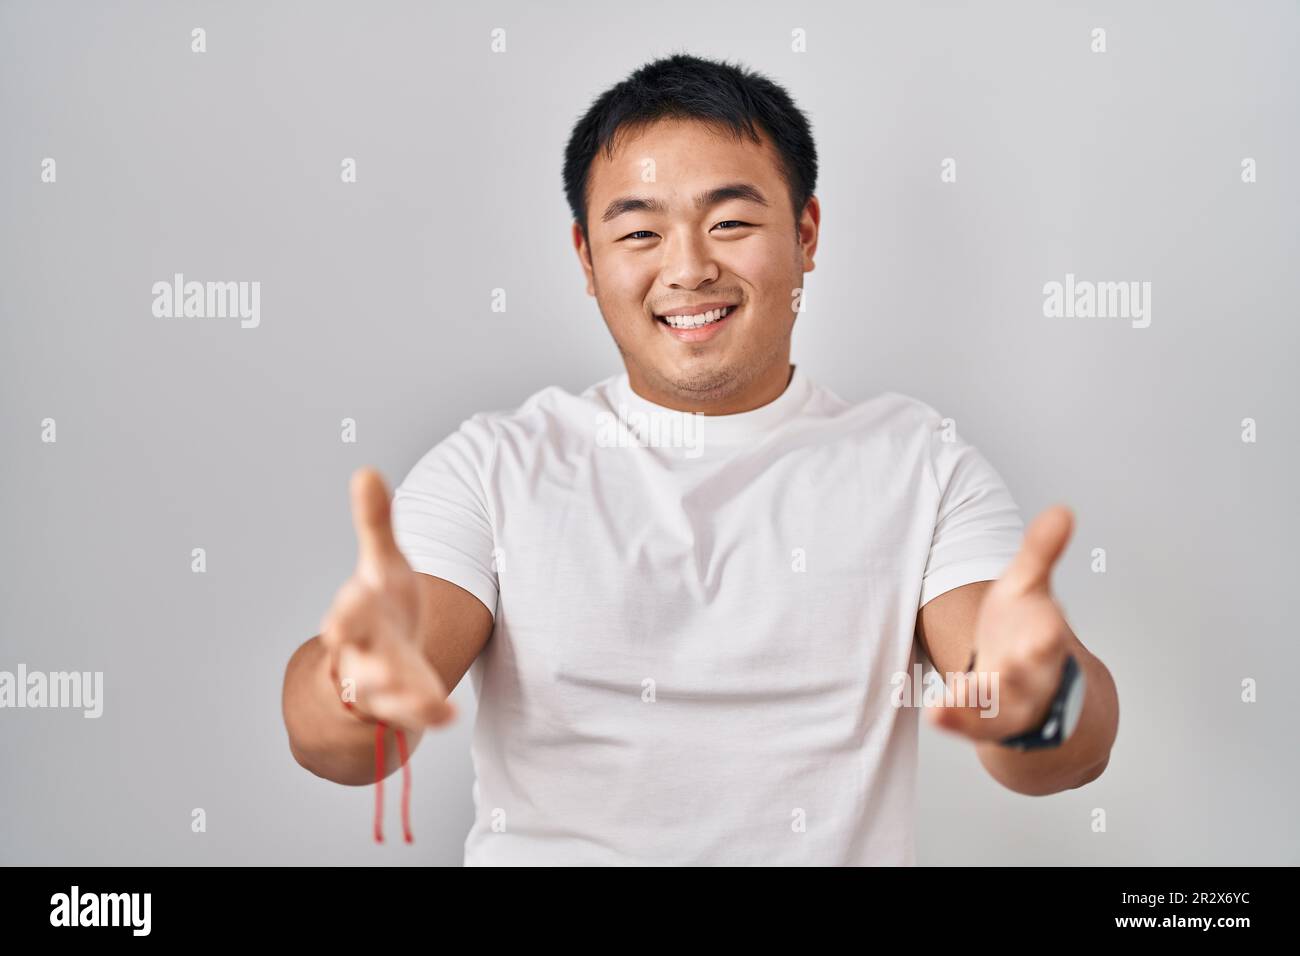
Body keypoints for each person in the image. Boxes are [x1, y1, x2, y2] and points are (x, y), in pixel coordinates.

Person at [281, 53, 1119, 865]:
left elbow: (1057, 753)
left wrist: (1036, 699)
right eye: (640, 231)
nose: (688, 268)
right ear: (587, 259)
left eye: (730, 223)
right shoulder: (493, 467)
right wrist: (354, 687)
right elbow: (344, 748)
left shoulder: (920, 465)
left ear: (806, 233)